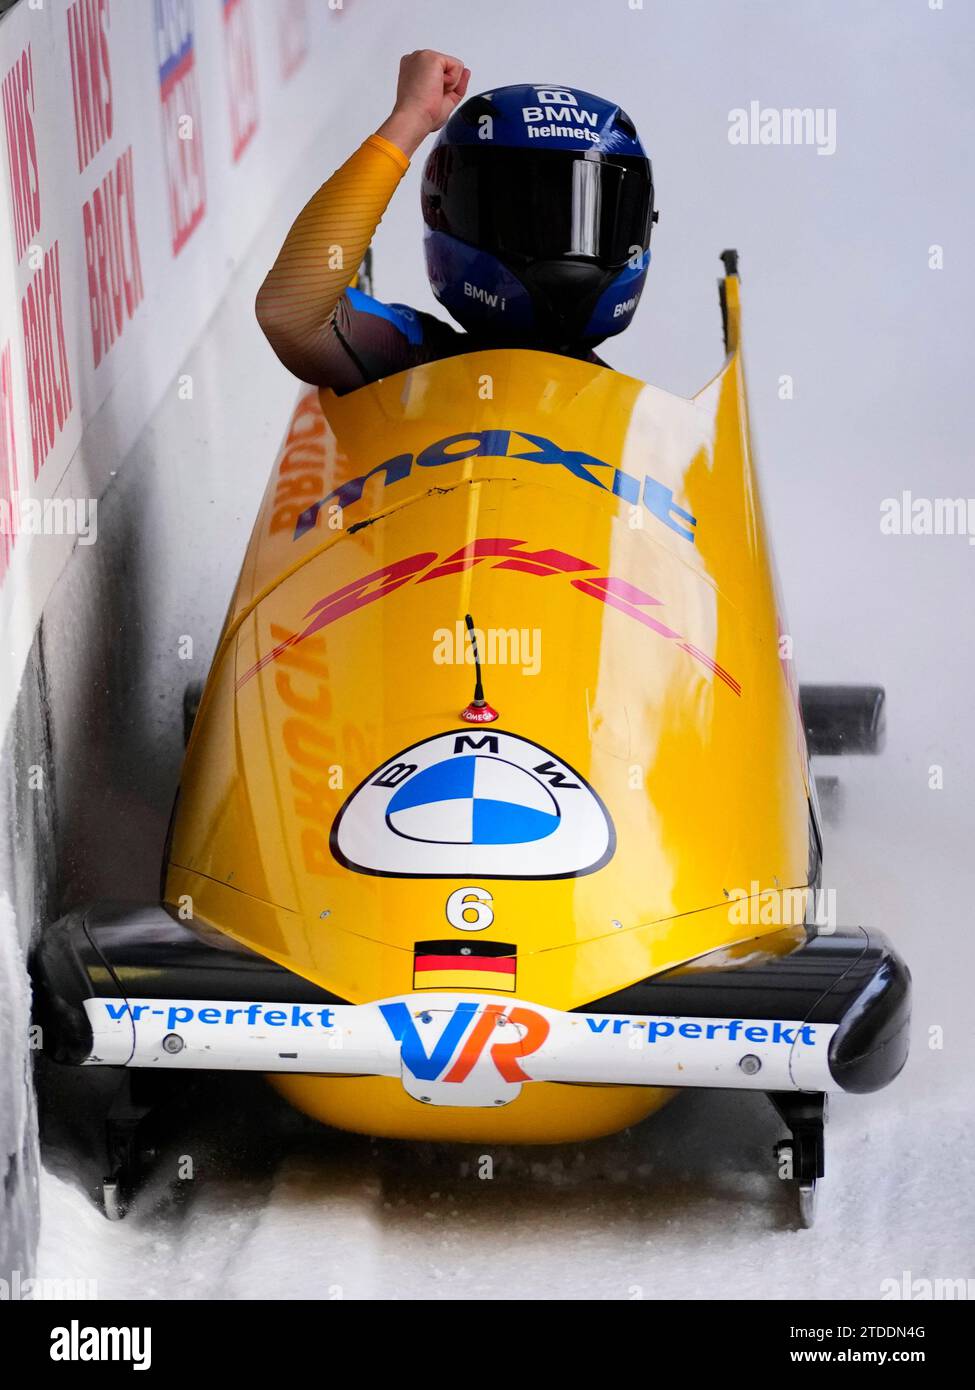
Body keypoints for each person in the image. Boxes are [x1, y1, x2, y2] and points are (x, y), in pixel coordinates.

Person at [256, 50, 657, 393]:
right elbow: (290, 314)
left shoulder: (653, 427)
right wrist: (411, 118)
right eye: (529, 220)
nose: (565, 258)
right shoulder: (407, 356)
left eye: (582, 220)